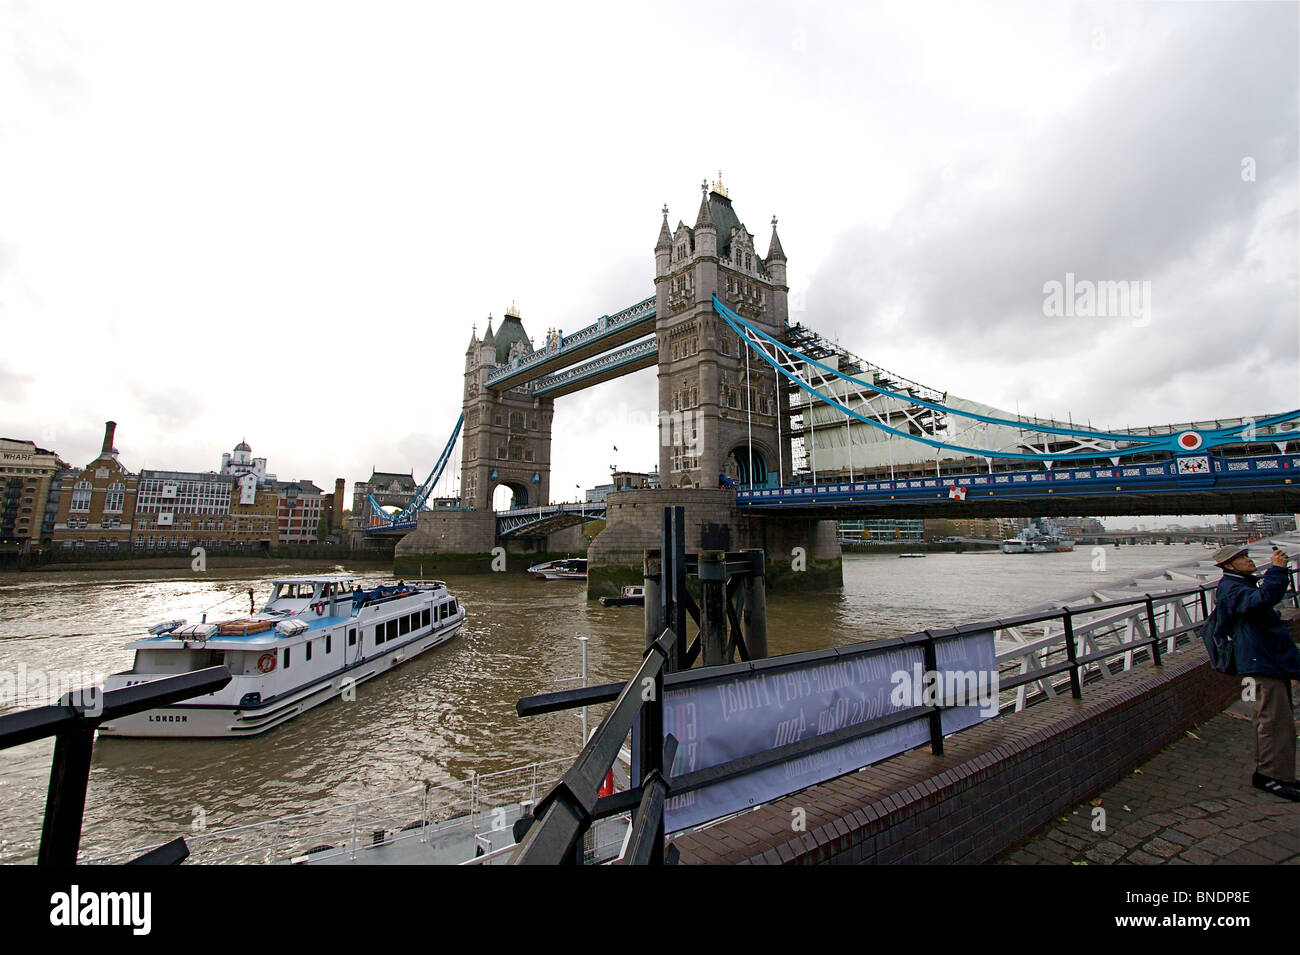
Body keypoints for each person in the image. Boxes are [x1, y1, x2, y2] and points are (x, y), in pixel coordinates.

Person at [1213, 543, 1300, 801]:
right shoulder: (1231, 588)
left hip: (1267, 660)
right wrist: (1277, 571)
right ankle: (1268, 776)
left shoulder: (1240, 583)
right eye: (1242, 558)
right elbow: (1262, 600)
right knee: (1270, 720)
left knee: (1281, 721)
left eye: (1247, 556)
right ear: (1229, 566)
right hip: (1258, 662)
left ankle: (1281, 775)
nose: (1249, 561)